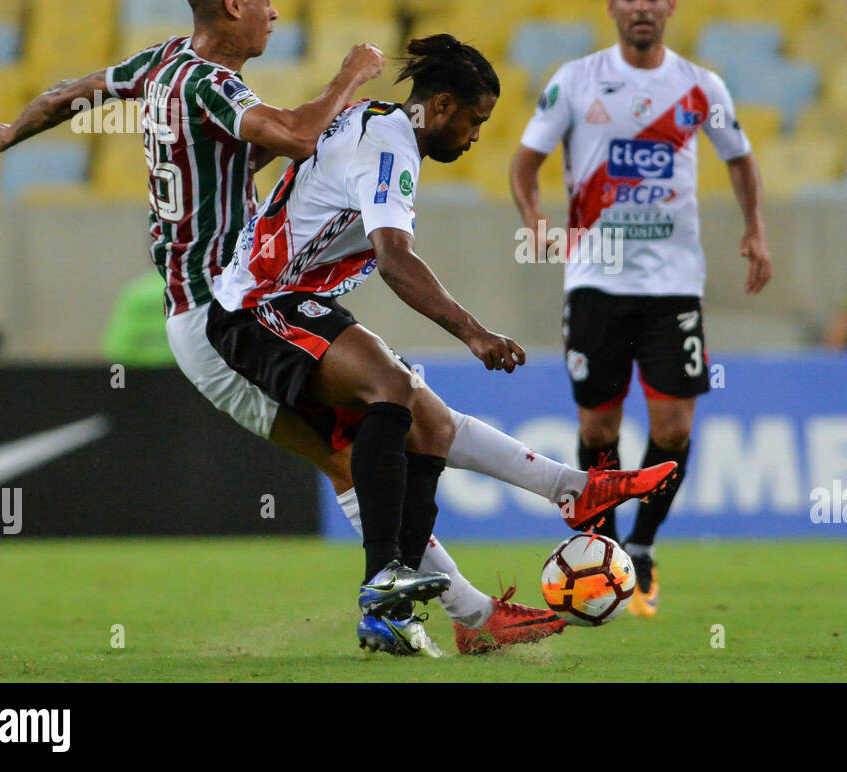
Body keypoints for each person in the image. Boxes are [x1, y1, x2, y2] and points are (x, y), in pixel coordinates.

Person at [0, 0, 645, 656]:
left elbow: (73, 93)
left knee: (420, 422)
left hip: (237, 301)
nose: (276, 15)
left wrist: (8, 133)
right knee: (386, 405)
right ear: (233, 4)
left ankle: (523, 537)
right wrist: (349, 71)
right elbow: (297, 134)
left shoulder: (158, 66)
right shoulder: (210, 83)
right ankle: (413, 593)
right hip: (222, 308)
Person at [207, 34, 677, 652]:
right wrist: (473, 332)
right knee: (393, 389)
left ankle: (559, 504)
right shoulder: (389, 145)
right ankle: (387, 579)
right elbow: (396, 260)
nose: (477, 136)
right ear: (446, 105)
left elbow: (282, 155)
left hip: (296, 300)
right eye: (476, 121)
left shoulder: (370, 122)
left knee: (428, 425)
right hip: (256, 305)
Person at [509, 0, 772, 617]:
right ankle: (603, 550)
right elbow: (524, 162)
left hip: (674, 283)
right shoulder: (575, 81)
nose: (642, 6)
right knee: (599, 428)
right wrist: (534, 215)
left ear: (671, 5)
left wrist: (755, 229)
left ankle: (644, 544)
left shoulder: (701, 88)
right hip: (595, 280)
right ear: (611, 5)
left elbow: (740, 160)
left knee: (674, 427)